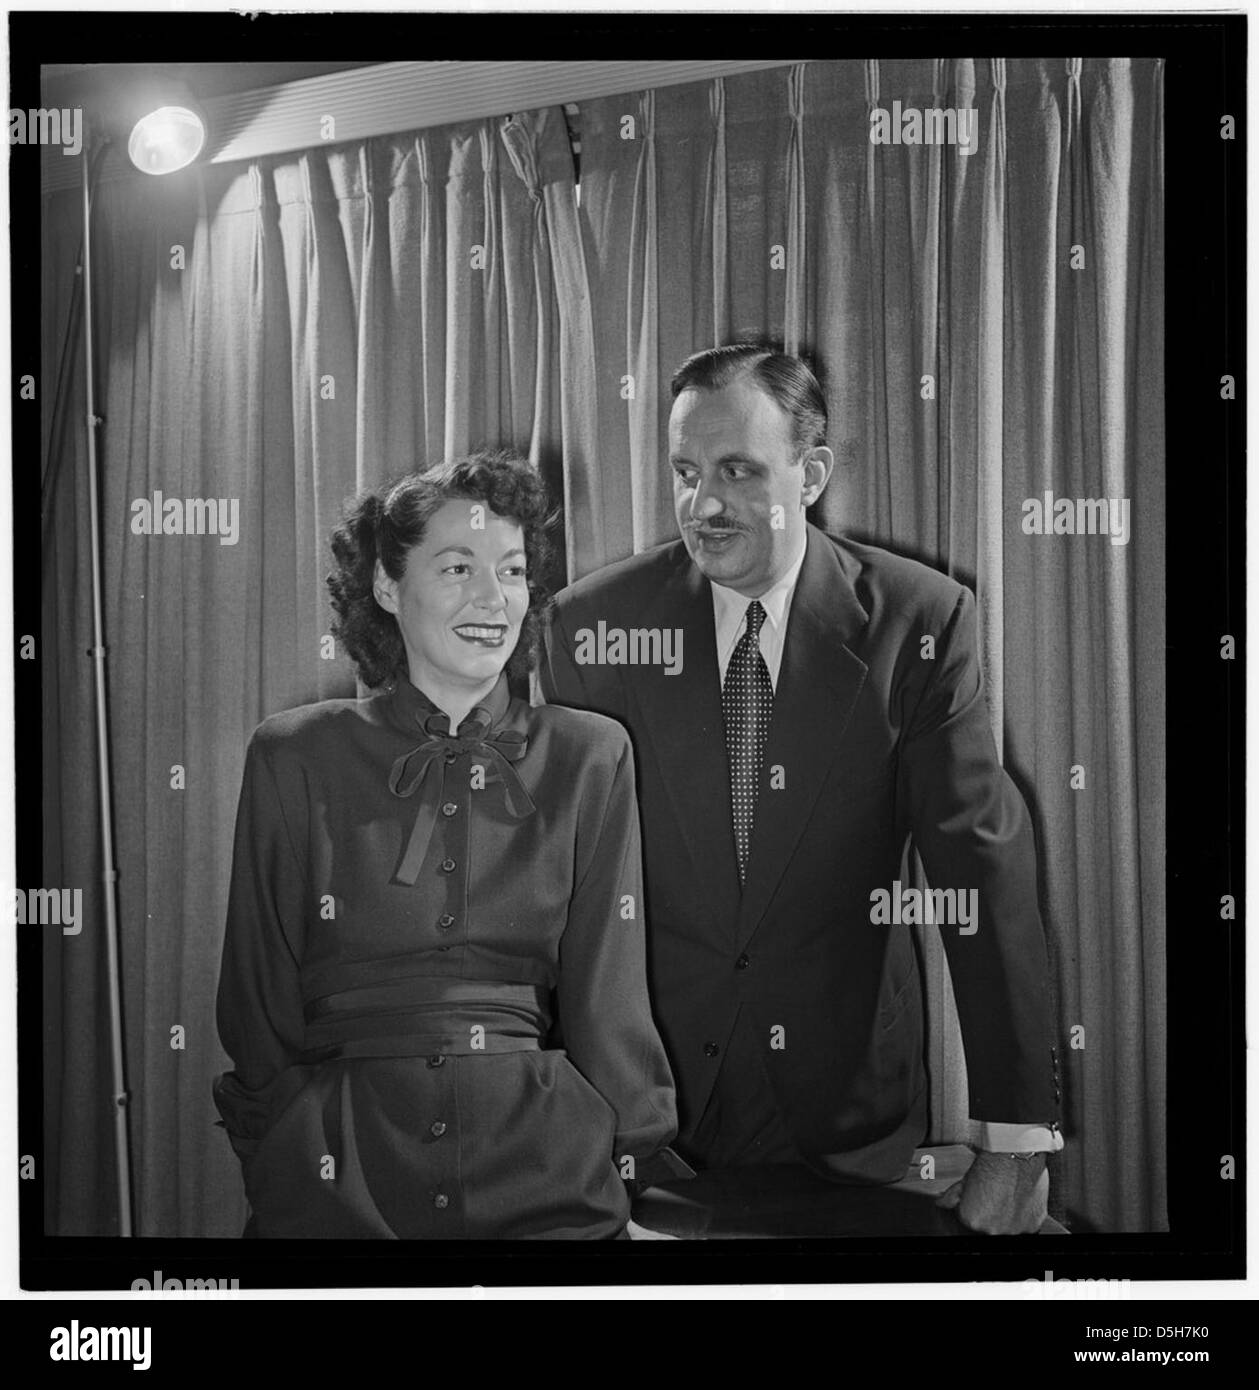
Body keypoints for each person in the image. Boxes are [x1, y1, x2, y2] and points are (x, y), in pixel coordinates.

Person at [542, 345, 1063, 1236]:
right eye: (685, 473)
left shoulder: (919, 620)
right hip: (643, 1117)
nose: (703, 505)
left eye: (737, 471)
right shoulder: (591, 626)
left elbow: (981, 870)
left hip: (853, 1117)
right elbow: (560, 891)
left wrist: (1015, 1146)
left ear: (810, 474)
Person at [213, 450, 676, 1238]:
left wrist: (631, 1174)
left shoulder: (592, 756)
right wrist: (283, 1160)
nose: (493, 598)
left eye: (512, 571)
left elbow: (610, 1002)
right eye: (458, 567)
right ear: (387, 586)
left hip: (546, 1177)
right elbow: (258, 1007)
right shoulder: (292, 755)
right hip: (336, 1181)